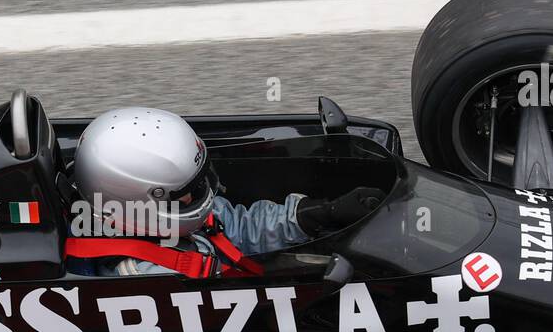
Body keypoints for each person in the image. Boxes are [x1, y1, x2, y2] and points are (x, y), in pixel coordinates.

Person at [65, 107, 383, 277]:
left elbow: (233, 228)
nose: (200, 194)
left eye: (199, 181)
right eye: (187, 192)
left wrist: (316, 214)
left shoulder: (163, 219)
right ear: (139, 205)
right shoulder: (147, 277)